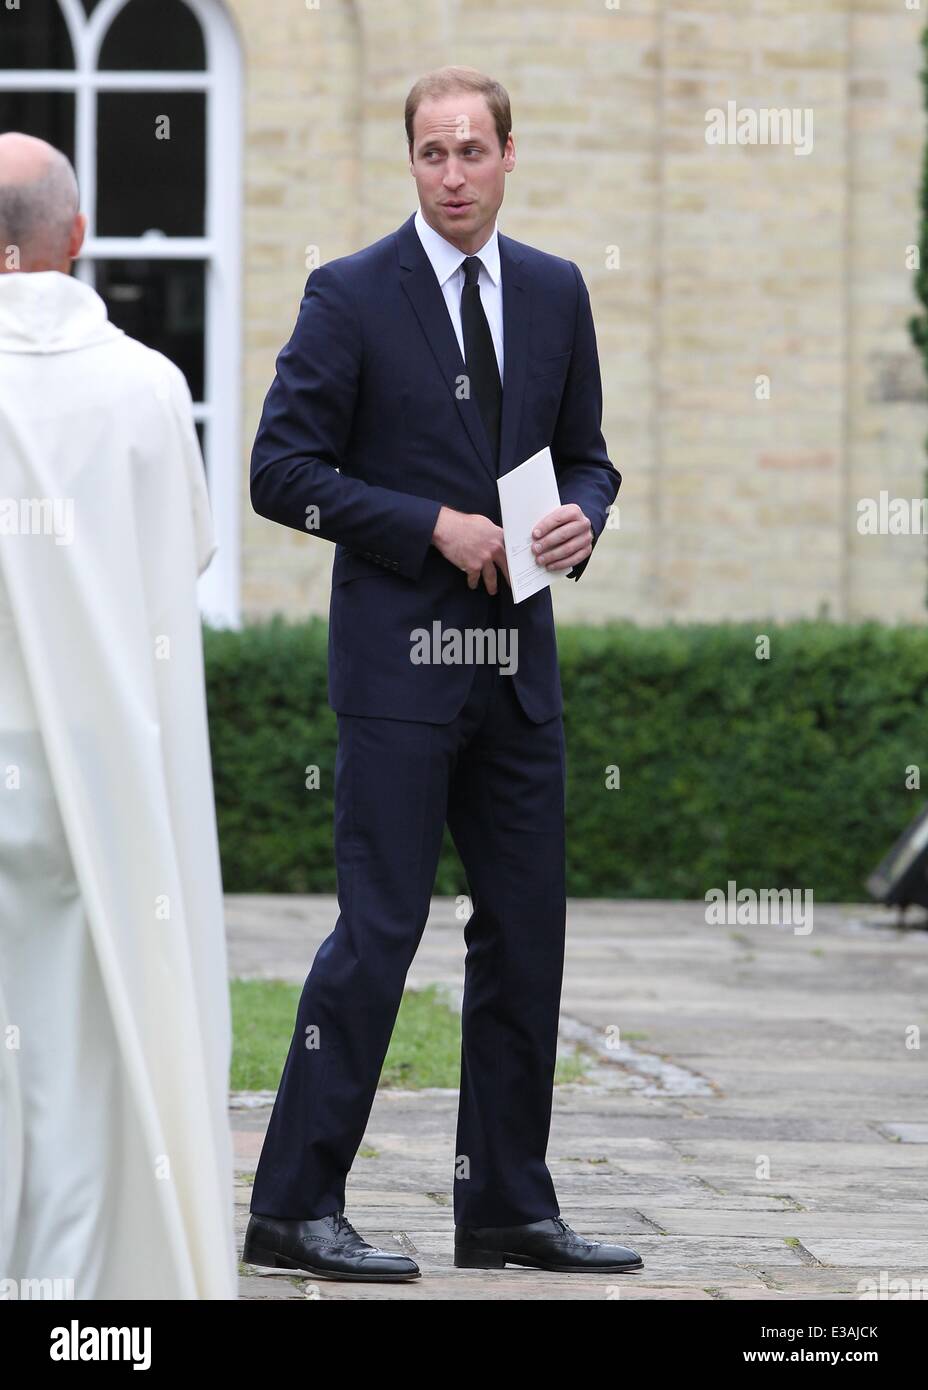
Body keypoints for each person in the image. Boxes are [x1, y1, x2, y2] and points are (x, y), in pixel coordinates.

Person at [245, 66, 642, 1281]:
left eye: (473, 151)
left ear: (509, 157)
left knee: (526, 938)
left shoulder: (557, 292)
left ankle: (507, 1208)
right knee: (378, 932)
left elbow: (589, 460)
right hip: (400, 671)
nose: (454, 173)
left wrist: (582, 516)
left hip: (516, 668)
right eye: (432, 153)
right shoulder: (351, 293)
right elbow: (280, 469)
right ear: (409, 162)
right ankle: (291, 1208)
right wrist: (430, 525)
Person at [0, 133, 237, 1299]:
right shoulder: (147, 383)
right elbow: (184, 548)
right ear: (76, 237)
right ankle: (73, 1292)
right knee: (88, 1052)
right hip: (95, 761)